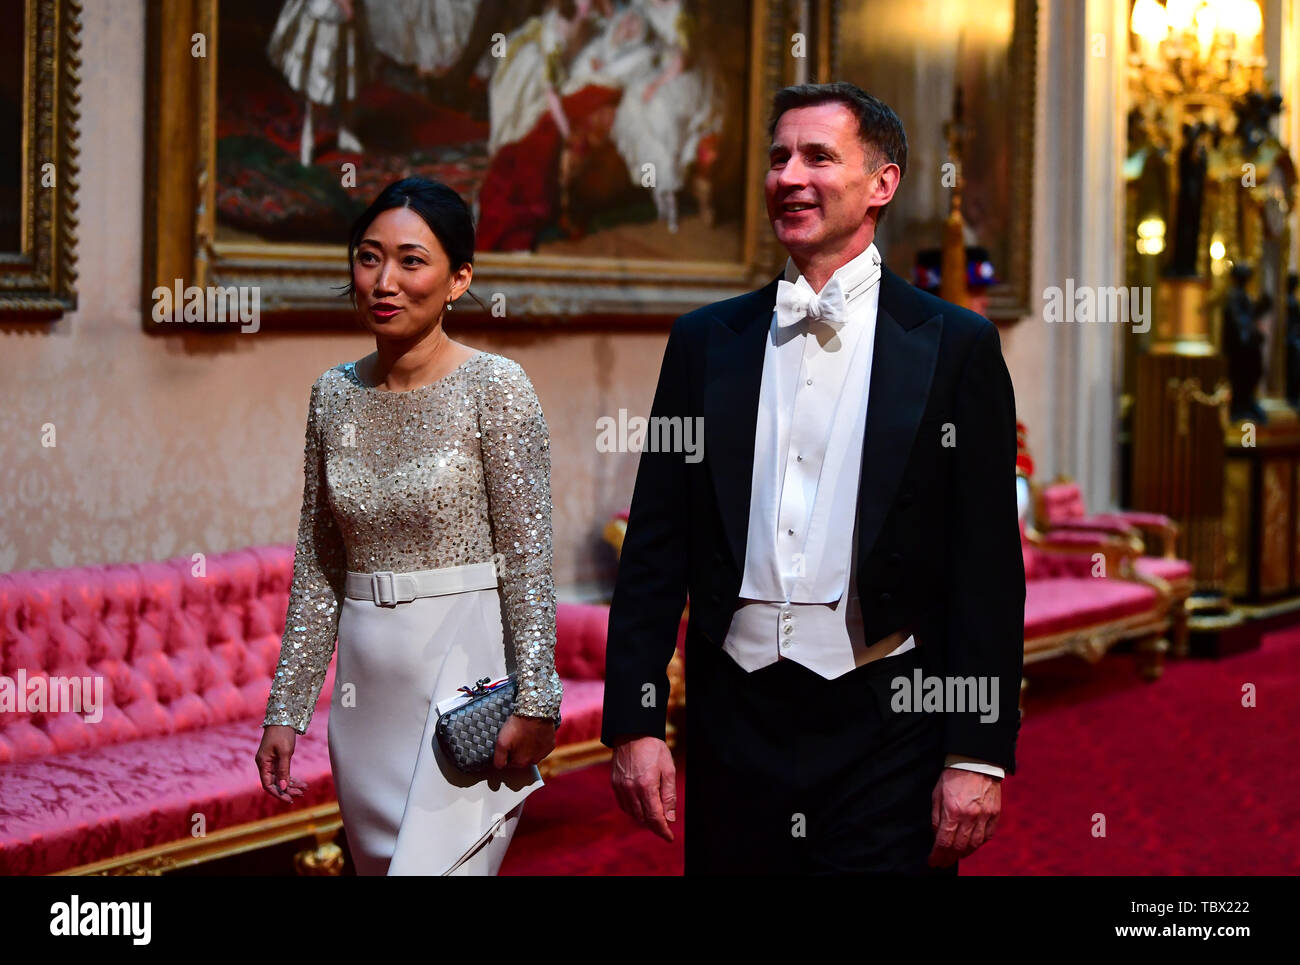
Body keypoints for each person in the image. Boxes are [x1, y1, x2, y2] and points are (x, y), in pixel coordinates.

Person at [602, 82, 1024, 875]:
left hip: (890, 720)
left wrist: (977, 751)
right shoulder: (703, 343)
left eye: (817, 156)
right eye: (777, 157)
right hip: (734, 719)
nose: (789, 175)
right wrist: (635, 721)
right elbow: (657, 544)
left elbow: (987, 569)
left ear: (882, 184)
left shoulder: (956, 346)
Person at [255, 177, 563, 875]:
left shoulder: (498, 387)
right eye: (369, 257)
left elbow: (528, 555)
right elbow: (319, 561)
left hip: (465, 682)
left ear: (459, 278)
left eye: (411, 260)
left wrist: (539, 695)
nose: (384, 281)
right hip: (367, 695)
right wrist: (287, 708)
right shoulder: (333, 393)